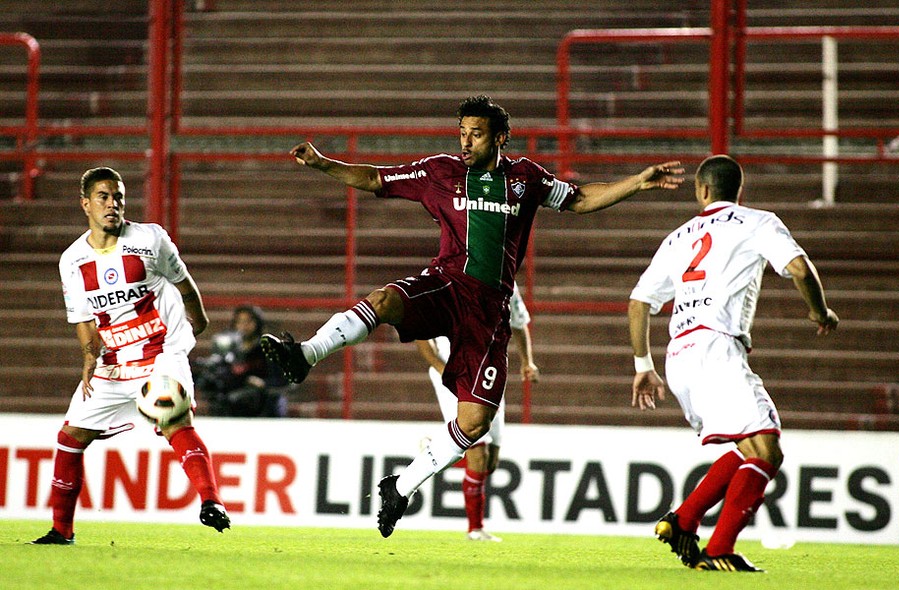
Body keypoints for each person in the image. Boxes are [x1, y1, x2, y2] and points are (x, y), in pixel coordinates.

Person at [260, 95, 683, 538]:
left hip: (489, 312)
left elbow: (578, 199)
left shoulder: (525, 180)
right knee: (384, 300)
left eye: (475, 134)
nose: (465, 141)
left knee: (475, 423)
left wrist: (637, 182)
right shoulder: (440, 172)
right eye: (462, 132)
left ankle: (400, 486)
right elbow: (374, 177)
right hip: (446, 286)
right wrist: (324, 163)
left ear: (499, 138)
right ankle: (304, 354)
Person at [627, 154, 839, 572]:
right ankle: (720, 547)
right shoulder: (757, 221)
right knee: (766, 448)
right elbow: (798, 267)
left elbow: (639, 301)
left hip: (678, 356)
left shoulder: (678, 236)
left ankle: (683, 520)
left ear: (701, 190)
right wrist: (820, 311)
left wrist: (641, 366)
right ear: (737, 191)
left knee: (749, 447)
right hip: (716, 347)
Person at [32, 167, 230, 545]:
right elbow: (84, 319)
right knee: (69, 438)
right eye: (104, 197)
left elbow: (183, 282)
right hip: (114, 361)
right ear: (85, 204)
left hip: (161, 352)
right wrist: (89, 359)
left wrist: (198, 324)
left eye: (118, 196)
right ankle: (61, 530)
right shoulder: (71, 259)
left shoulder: (151, 238)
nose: (113, 204)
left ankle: (211, 501)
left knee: (172, 417)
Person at [415, 287, 539, 542]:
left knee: (489, 463)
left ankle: (435, 449)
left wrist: (527, 361)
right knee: (478, 453)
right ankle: (475, 529)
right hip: (455, 375)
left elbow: (518, 322)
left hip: (490, 373)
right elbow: (420, 333)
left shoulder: (508, 286)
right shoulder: (448, 282)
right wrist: (443, 370)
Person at [196, 305, 289, 417]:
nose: (243, 326)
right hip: (233, 401)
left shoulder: (267, 348)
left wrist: (263, 383)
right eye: (240, 322)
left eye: (248, 321)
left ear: (257, 323)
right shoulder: (229, 348)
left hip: (262, 402)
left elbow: (283, 380)